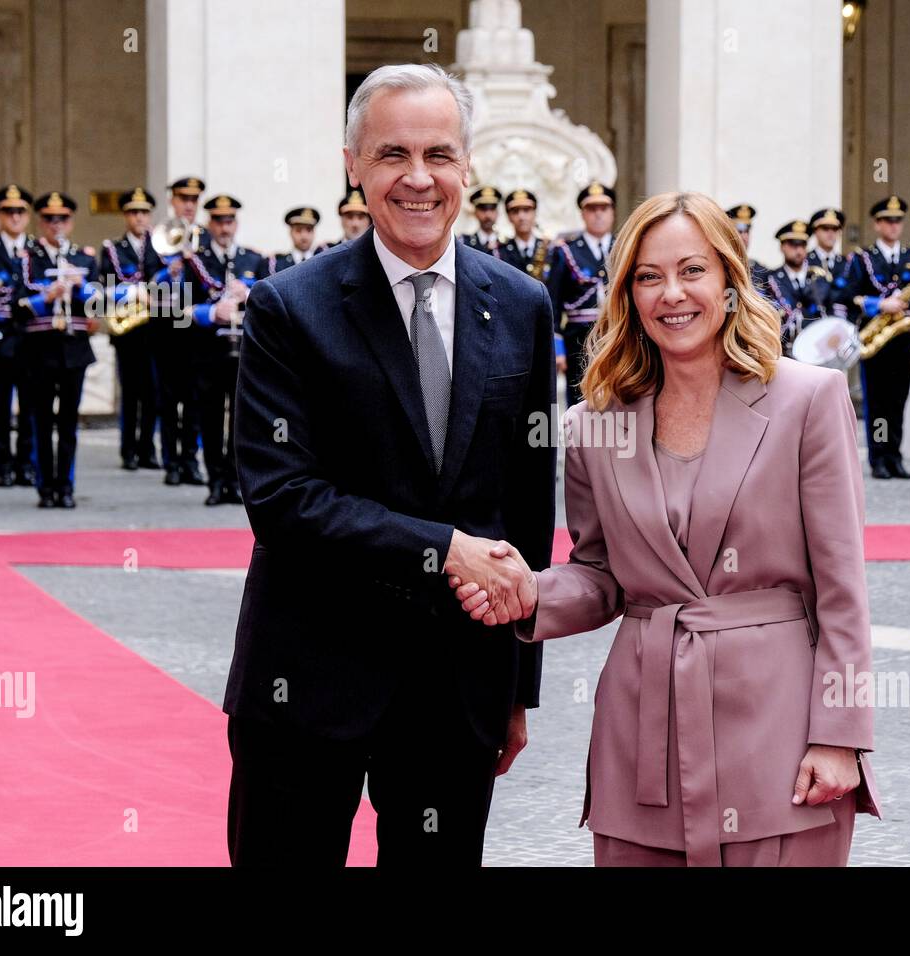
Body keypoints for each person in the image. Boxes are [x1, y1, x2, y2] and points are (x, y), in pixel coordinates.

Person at [452, 191, 882, 867]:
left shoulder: (809, 399)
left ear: (730, 283)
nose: (671, 294)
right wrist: (530, 592)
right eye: (648, 277)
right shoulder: (594, 423)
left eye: (692, 271)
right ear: (626, 295)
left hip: (780, 734)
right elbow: (600, 576)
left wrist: (841, 735)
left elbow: (844, 592)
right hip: (640, 740)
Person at [223, 63, 556, 867]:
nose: (418, 178)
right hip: (306, 685)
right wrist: (443, 548)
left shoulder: (521, 304)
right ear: (353, 166)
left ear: (468, 167)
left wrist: (517, 686)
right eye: (391, 154)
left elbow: (527, 512)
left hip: (457, 692)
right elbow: (282, 497)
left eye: (439, 154)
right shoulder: (288, 309)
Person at [13, 191, 99, 509]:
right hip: (39, 349)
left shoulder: (84, 258)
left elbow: (97, 303)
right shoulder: (27, 259)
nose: (56, 224)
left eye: (62, 219)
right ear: (41, 222)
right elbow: (15, 307)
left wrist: (79, 286)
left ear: (71, 222)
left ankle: (66, 486)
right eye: (49, 219)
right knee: (40, 421)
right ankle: (44, 487)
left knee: (68, 423)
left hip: (73, 349)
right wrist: (46, 297)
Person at [181, 194, 268, 506]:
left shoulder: (252, 259)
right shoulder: (196, 261)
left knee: (241, 421)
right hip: (208, 351)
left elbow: (269, 303)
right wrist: (211, 313)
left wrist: (249, 295)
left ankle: (236, 479)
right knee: (210, 417)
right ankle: (215, 481)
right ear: (210, 224)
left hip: (244, 353)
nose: (224, 227)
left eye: (229, 220)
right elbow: (182, 310)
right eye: (218, 221)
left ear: (236, 223)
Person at [837, 195, 910, 479]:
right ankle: (879, 458)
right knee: (877, 402)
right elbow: (846, 295)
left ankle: (895, 455)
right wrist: (879, 305)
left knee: (898, 400)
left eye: (897, 221)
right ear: (877, 224)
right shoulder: (862, 259)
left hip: (903, 340)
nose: (893, 226)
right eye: (887, 221)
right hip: (875, 341)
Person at [0, 184, 38, 488]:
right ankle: (1, 463)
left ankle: (26, 462)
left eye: (20, 211)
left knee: (30, 405)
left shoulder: (36, 250)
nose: (14, 217)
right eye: (8, 211)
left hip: (31, 338)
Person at [100, 187, 162, 471]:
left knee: (154, 393)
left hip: (155, 330)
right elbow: (109, 285)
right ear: (126, 216)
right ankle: (128, 450)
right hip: (127, 332)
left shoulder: (162, 246)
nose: (139, 218)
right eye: (134, 212)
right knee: (130, 393)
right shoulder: (112, 249)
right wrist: (137, 291)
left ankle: (148, 448)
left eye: (144, 212)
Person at [157, 176, 208, 488]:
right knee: (167, 399)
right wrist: (168, 271)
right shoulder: (159, 237)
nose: (188, 205)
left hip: (195, 333)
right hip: (165, 329)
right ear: (172, 201)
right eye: (183, 199)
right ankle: (171, 463)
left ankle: (191, 458)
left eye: (193, 200)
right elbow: (145, 281)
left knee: (195, 400)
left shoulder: (203, 239)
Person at [548, 181, 614, 408]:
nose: (598, 214)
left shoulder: (623, 246)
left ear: (612, 212)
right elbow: (553, 304)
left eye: (604, 208)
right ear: (583, 213)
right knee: (579, 400)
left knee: (618, 397)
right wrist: (558, 351)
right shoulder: (567, 250)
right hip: (578, 337)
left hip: (617, 333)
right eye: (592, 209)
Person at [765, 218, 833, 356]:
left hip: (817, 350)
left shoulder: (819, 277)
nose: (799, 250)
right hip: (784, 352)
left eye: (802, 245)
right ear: (782, 246)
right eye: (793, 245)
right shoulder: (771, 279)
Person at [497, 188, 551, 281]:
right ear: (508, 217)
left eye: (526, 210)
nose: (521, 217)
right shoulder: (500, 251)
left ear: (535, 213)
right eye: (515, 211)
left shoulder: (550, 248)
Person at [268, 207, 321, 273]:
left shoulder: (322, 260)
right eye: (298, 230)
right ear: (290, 232)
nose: (304, 236)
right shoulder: (276, 263)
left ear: (314, 232)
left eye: (309, 230)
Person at [462, 185, 502, 253]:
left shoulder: (507, 245)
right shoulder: (465, 243)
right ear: (475, 212)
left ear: (497, 212)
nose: (488, 215)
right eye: (483, 209)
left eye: (492, 209)